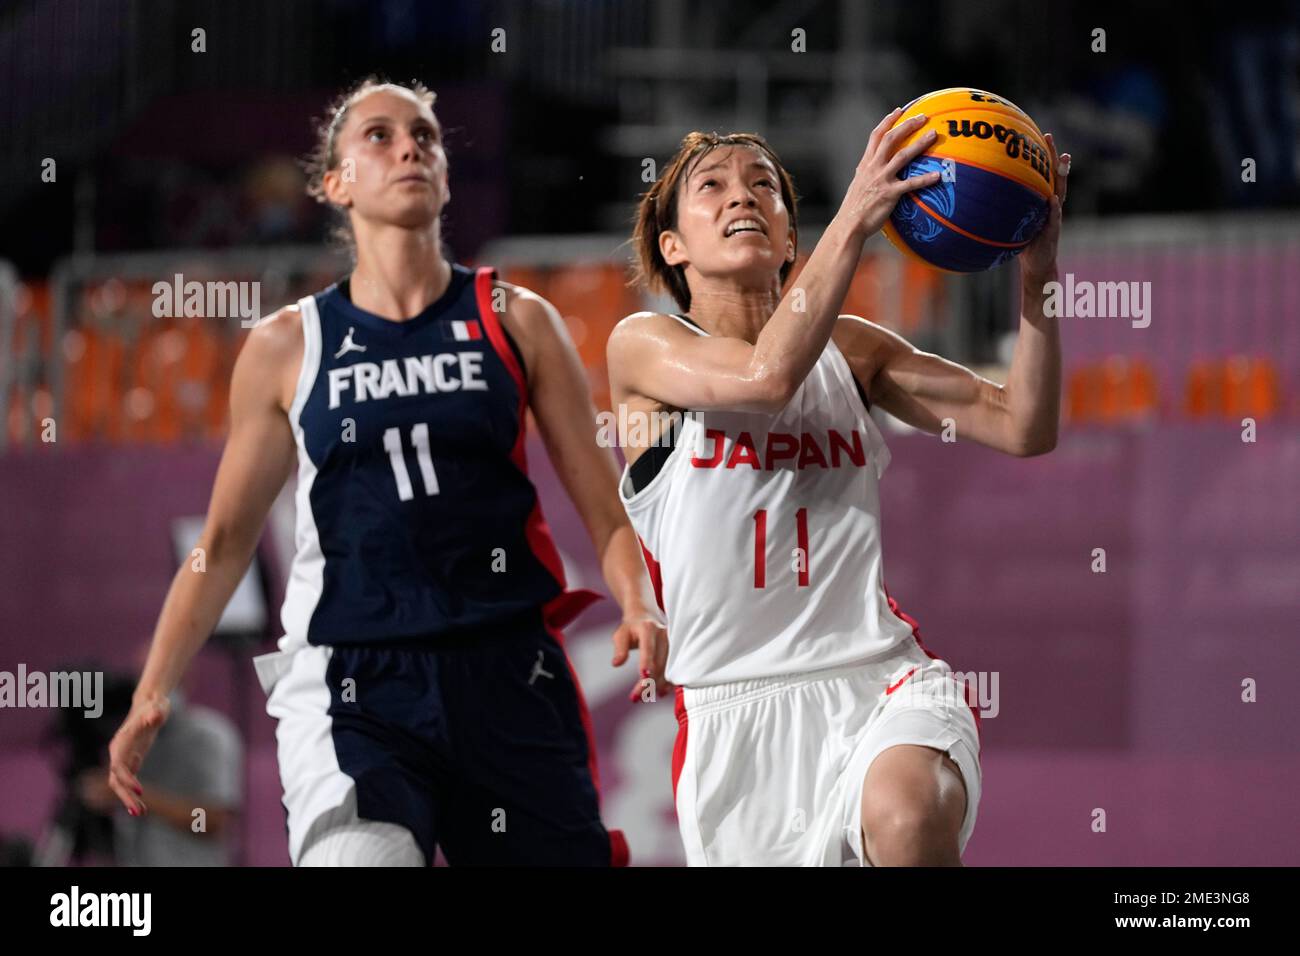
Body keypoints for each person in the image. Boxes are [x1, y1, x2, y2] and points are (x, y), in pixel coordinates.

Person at [107, 77, 668, 866]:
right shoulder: (287, 346)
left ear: (444, 176)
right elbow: (225, 541)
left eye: (426, 136)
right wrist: (155, 688)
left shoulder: (515, 319)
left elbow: (606, 512)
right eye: (379, 135)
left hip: (506, 668)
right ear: (335, 184)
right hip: (355, 681)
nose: (410, 146)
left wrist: (639, 601)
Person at [610, 110, 1069, 865]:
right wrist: (857, 213)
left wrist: (1038, 278)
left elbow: (1025, 424)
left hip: (877, 680)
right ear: (673, 248)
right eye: (713, 187)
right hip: (735, 716)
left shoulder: (852, 352)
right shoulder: (645, 348)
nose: (742, 197)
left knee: (907, 814)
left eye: (765, 186)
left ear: (791, 239)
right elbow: (763, 378)